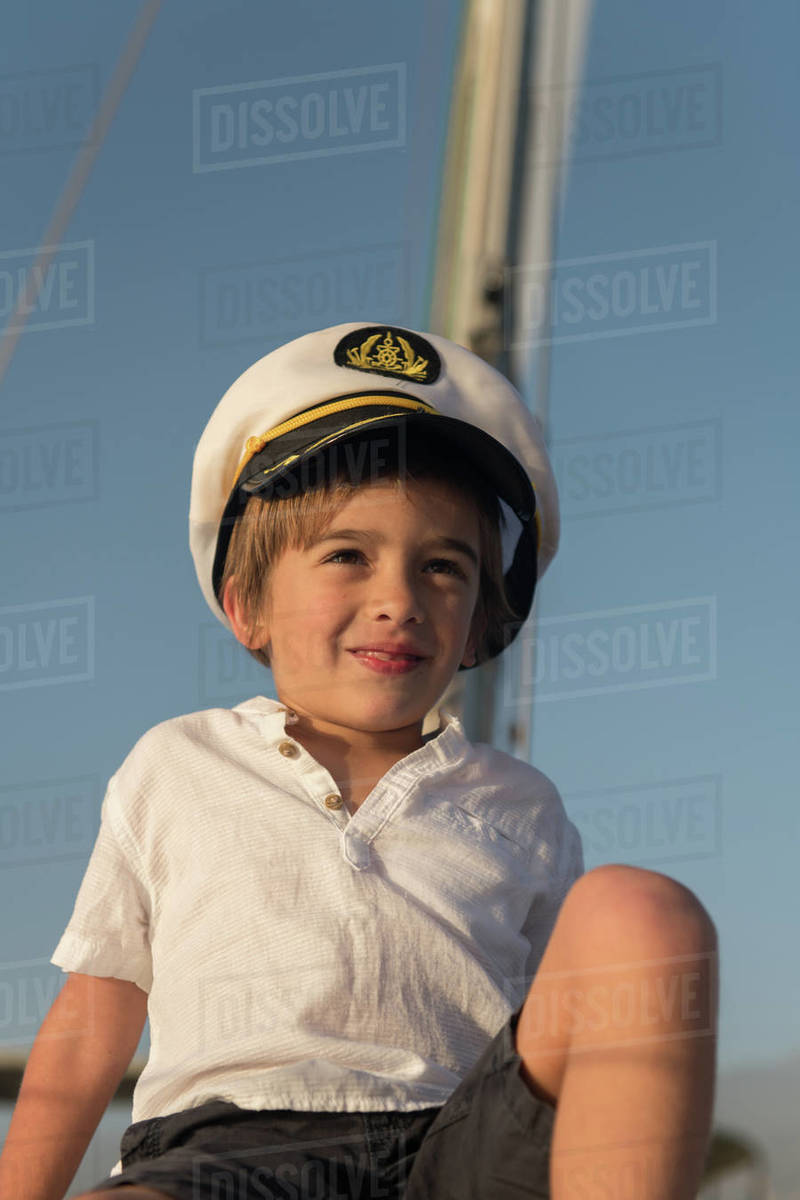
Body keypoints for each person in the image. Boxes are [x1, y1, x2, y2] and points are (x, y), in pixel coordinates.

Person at [0, 323, 718, 1200]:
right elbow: (91, 1025)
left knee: (641, 912)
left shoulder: (521, 805)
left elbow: (559, 1034)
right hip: (228, 1153)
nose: (399, 599)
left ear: (480, 625)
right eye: (347, 555)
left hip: (457, 1152)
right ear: (247, 606)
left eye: (443, 567)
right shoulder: (177, 764)